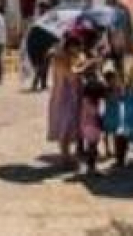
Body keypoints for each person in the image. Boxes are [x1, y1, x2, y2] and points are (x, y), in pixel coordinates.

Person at [47, 35, 83, 168]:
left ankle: (66, 156)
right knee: (66, 127)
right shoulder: (62, 59)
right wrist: (85, 66)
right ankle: (65, 157)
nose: (79, 50)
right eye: (77, 47)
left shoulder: (61, 57)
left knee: (66, 126)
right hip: (65, 97)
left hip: (62, 96)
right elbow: (72, 75)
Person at [30, 2, 53, 91]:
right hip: (40, 46)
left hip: (46, 45)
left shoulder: (47, 20)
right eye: (41, 9)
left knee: (46, 65)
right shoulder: (39, 20)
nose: (41, 10)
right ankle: (35, 83)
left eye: (43, 8)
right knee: (42, 65)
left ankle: (43, 83)